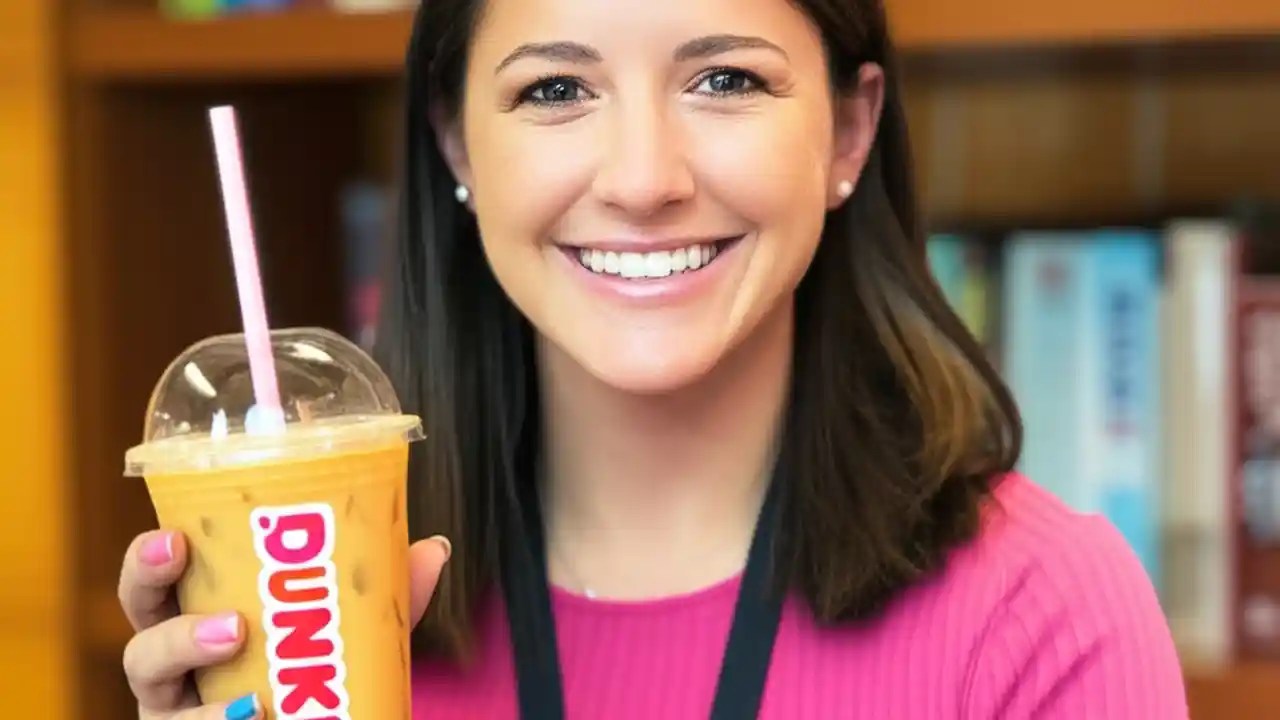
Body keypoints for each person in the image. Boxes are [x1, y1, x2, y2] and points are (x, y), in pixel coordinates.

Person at [116, 0, 1191, 717]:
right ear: (455, 144)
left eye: (723, 80)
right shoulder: (317, 617)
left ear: (850, 133)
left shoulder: (1042, 614)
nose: (641, 179)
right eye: (553, 90)